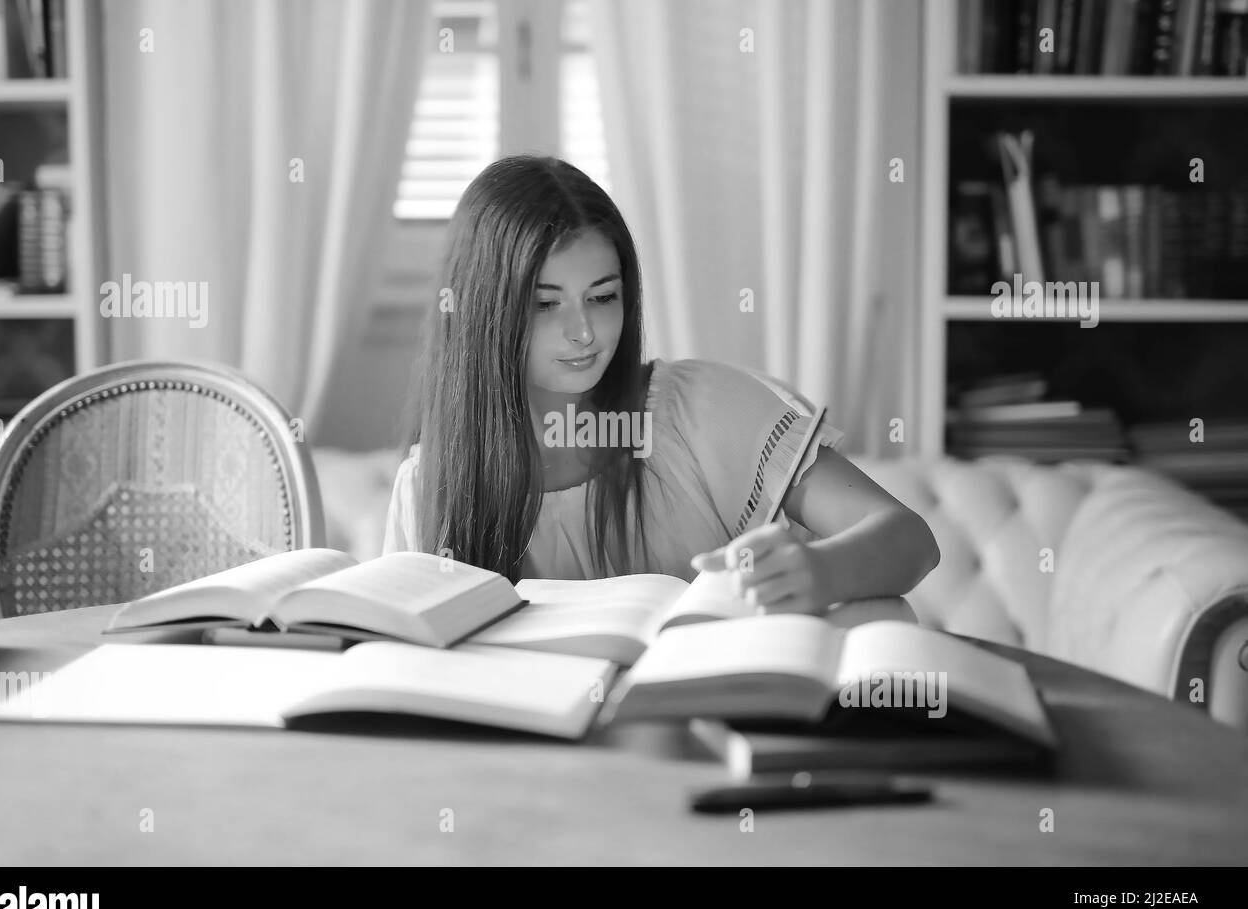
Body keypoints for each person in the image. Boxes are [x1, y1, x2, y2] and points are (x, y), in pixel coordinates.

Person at [383, 155, 939, 616]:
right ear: (485, 310)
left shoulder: (700, 410)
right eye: (545, 304)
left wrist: (822, 571)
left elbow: (910, 539)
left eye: (602, 297)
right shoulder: (429, 487)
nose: (583, 333)